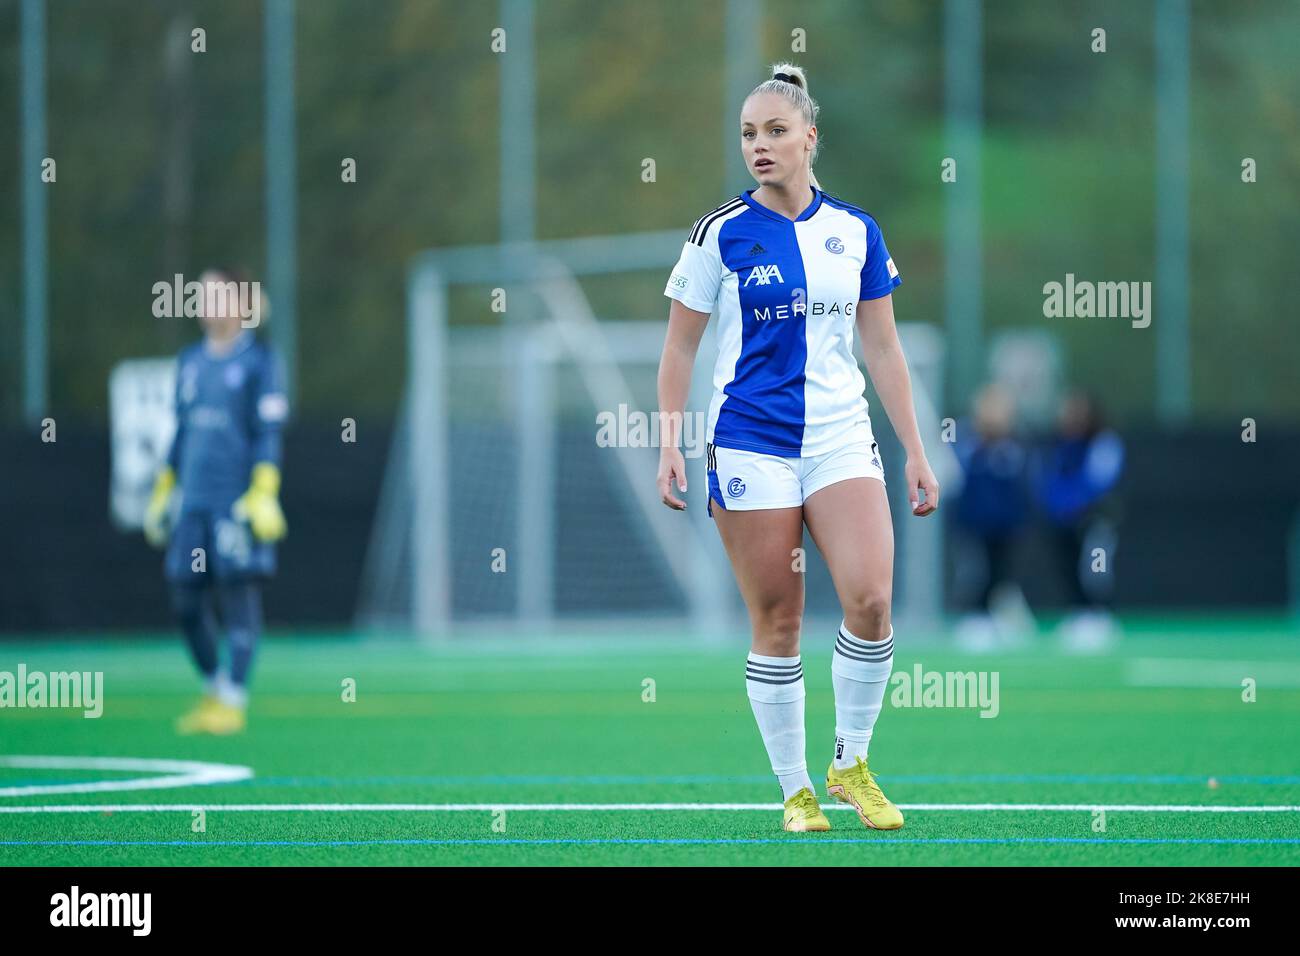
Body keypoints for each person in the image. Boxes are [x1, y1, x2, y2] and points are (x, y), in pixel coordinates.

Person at [656, 64, 939, 832]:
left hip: (841, 438)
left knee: (872, 600)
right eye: (749, 134)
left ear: (810, 138)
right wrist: (671, 442)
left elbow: (882, 349)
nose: (760, 145)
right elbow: (681, 348)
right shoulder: (720, 233)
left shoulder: (857, 231)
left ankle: (851, 763)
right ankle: (795, 790)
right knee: (778, 618)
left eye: (776, 131)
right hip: (751, 442)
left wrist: (915, 448)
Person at [143, 268, 289, 734]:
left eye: (217, 294)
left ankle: (234, 699)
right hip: (193, 505)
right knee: (185, 599)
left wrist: (264, 490)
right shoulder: (189, 361)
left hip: (235, 504)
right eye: (200, 295)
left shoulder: (259, 362)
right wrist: (165, 487)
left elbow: (268, 432)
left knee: (237, 597)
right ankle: (213, 687)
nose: (205, 303)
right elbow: (182, 431)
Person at [1033, 389, 1124, 652]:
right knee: (1068, 566)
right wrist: (1058, 508)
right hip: (1063, 522)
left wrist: (1078, 506)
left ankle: (1099, 615)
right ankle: (1079, 613)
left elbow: (1099, 481)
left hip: (1094, 521)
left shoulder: (1104, 442)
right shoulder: (1060, 446)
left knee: (1095, 568)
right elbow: (1051, 482)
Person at [951, 383, 1030, 650]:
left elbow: (1019, 488)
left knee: (1002, 571)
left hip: (1005, 525)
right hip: (974, 524)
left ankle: (1004, 616)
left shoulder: (1014, 447)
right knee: (975, 571)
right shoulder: (966, 443)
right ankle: (977, 616)